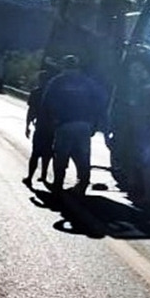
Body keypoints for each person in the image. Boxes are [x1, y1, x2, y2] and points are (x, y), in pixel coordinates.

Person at [41, 55, 107, 194]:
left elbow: (46, 102)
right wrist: (95, 122)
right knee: (83, 155)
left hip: (64, 124)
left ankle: (58, 184)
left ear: (64, 66)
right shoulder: (87, 82)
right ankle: (83, 183)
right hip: (84, 124)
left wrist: (50, 122)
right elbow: (101, 100)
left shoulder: (57, 81)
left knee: (61, 155)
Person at [23, 70, 53, 188]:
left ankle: (29, 177)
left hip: (41, 127)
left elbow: (31, 111)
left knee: (36, 153)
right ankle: (44, 175)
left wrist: (27, 125)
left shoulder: (36, 93)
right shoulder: (54, 93)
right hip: (52, 128)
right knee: (48, 153)